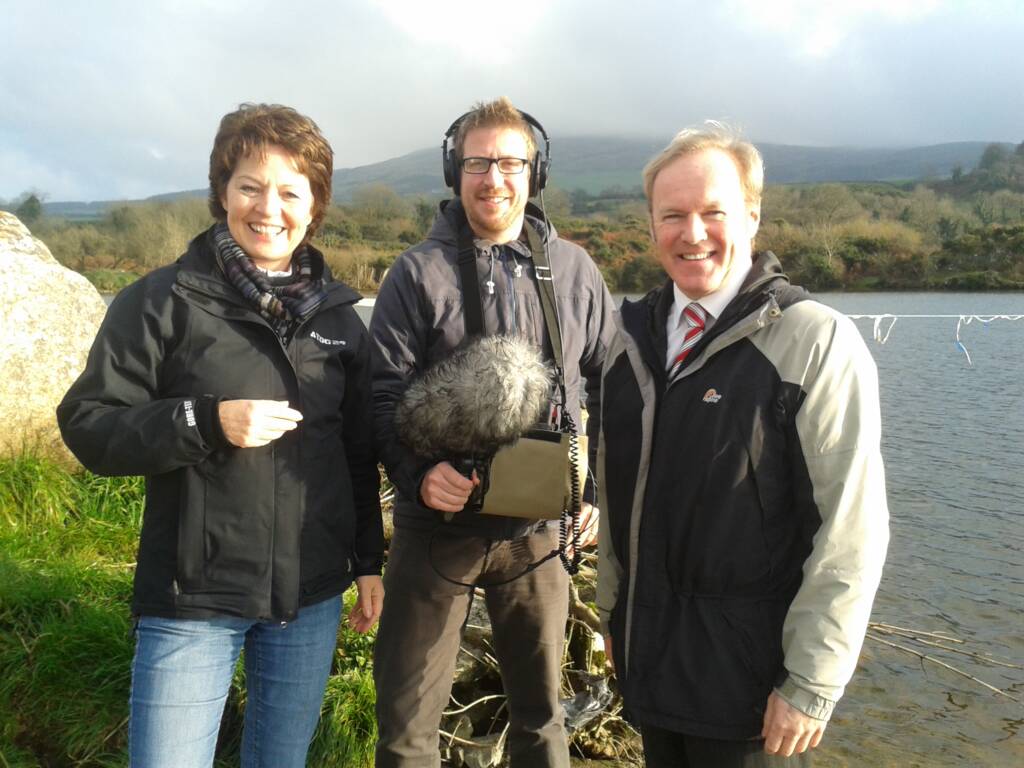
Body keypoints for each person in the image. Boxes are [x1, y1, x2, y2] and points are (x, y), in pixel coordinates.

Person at [56, 103, 384, 768]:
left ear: (315, 204)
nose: (270, 208)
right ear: (222, 193)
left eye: (291, 191)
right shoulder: (160, 301)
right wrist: (203, 421)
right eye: (250, 187)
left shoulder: (341, 319)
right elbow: (89, 424)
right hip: (191, 599)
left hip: (309, 598)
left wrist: (369, 563)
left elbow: (356, 454)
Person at [596, 124, 890, 766]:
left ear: (752, 215)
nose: (692, 233)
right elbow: (619, 496)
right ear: (650, 224)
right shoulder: (628, 342)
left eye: (712, 213)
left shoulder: (815, 342)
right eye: (672, 215)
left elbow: (852, 531)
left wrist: (813, 683)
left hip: (754, 695)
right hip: (651, 666)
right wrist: (614, 611)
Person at [369, 97, 615, 767]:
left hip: (539, 535)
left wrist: (594, 490)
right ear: (455, 171)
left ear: (536, 172)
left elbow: (611, 385)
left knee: (541, 721)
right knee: (406, 725)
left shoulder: (575, 271)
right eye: (477, 162)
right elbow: (381, 395)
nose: (493, 178)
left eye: (510, 162)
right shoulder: (415, 274)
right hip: (437, 528)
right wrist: (418, 477)